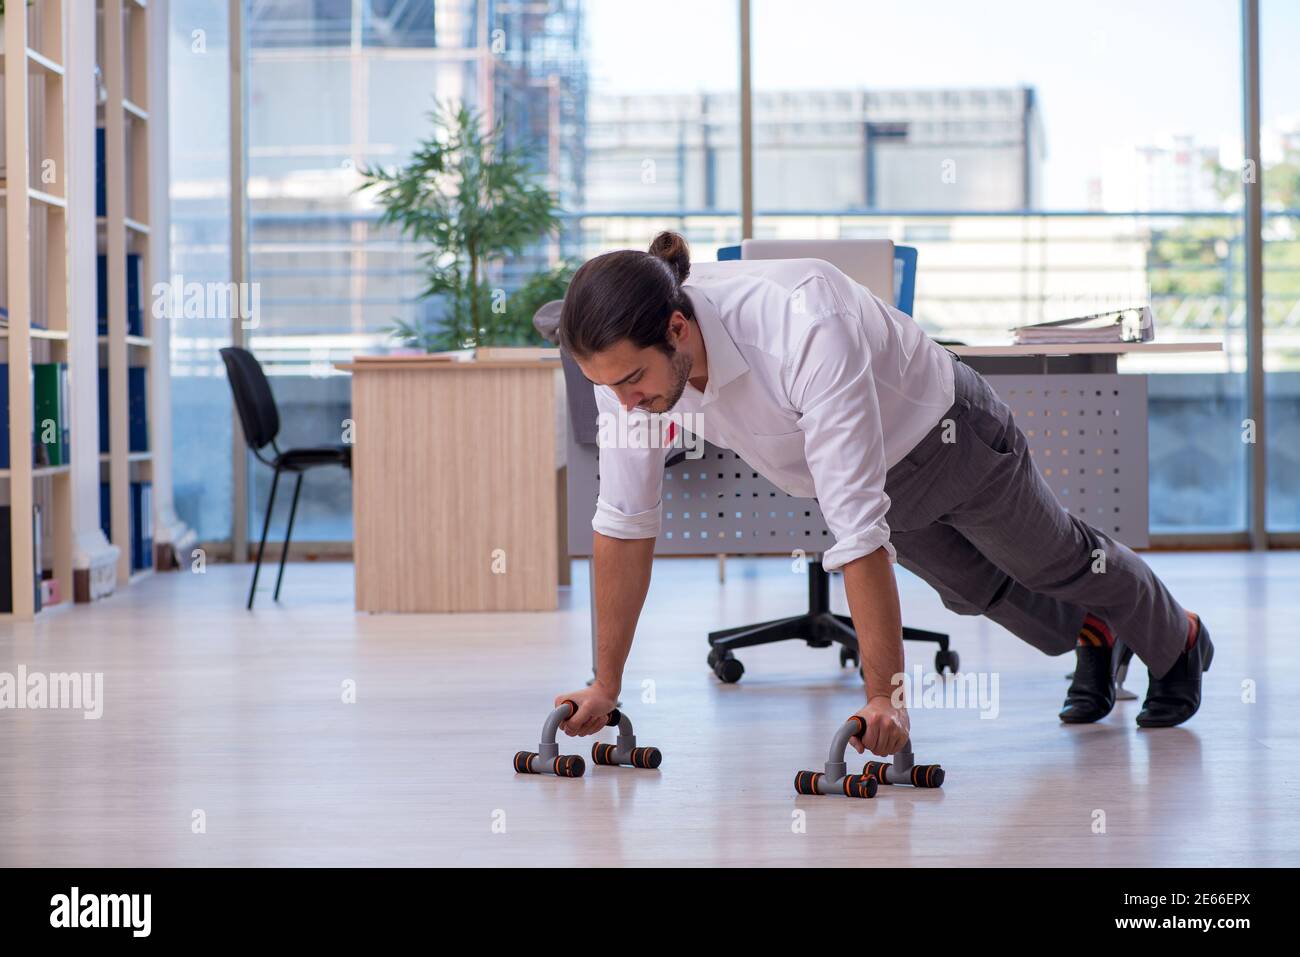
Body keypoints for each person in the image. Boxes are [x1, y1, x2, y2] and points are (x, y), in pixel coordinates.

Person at [553, 231, 1212, 757]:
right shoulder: (624, 378)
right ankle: (1097, 630)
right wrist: (605, 684)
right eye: (607, 386)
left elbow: (858, 533)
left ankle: (1176, 638)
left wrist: (885, 697)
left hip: (950, 435)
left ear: (675, 328)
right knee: (980, 593)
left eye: (633, 380)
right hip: (883, 477)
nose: (624, 401)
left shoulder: (800, 322)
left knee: (1054, 562)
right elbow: (624, 522)